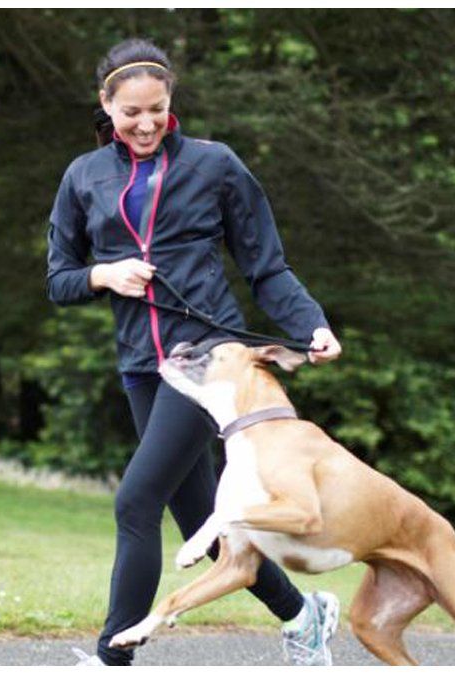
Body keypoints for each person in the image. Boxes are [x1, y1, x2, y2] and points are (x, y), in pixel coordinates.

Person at [46, 38, 343, 666]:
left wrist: (311, 324)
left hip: (211, 362)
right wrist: (105, 275)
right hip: (142, 369)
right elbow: (59, 279)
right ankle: (303, 614)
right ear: (106, 105)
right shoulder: (85, 176)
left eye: (157, 108)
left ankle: (112, 658)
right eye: (131, 112)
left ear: (171, 98)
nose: (147, 123)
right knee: (202, 525)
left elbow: (266, 267)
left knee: (135, 502)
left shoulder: (215, 165)